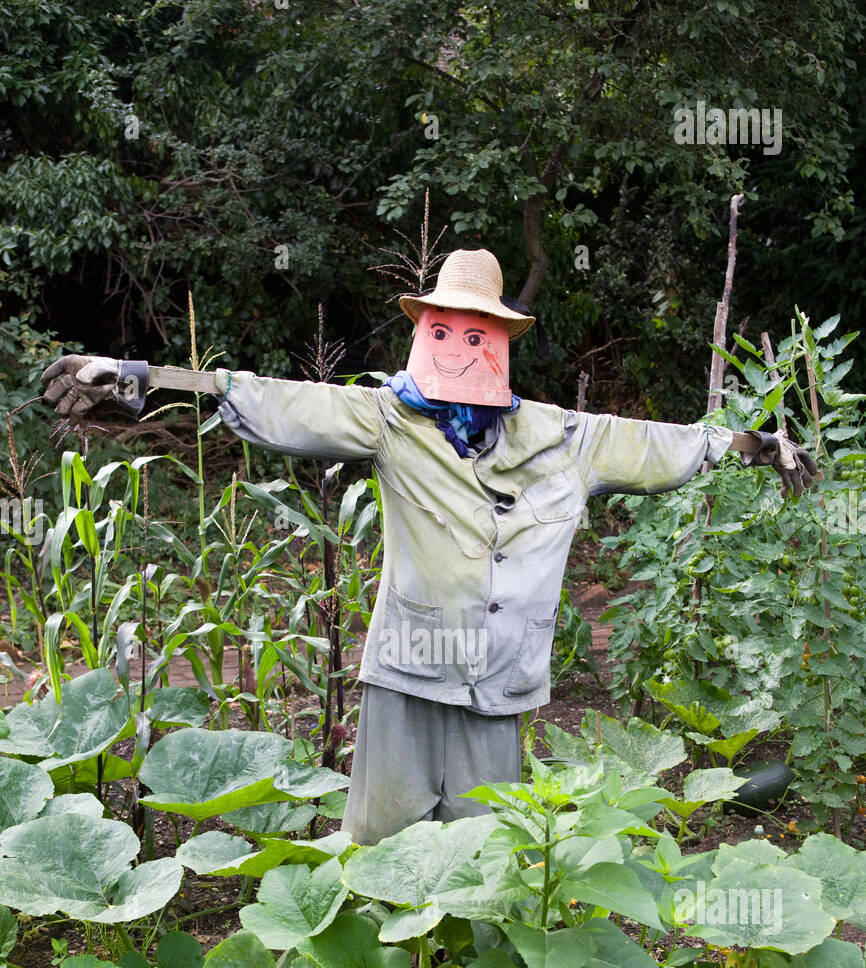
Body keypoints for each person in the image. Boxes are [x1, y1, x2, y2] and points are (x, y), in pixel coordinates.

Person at [41, 248, 818, 844]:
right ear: (421, 332)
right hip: (409, 670)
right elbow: (284, 402)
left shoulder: (565, 439)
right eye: (439, 329)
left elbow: (665, 446)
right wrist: (147, 376)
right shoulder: (390, 420)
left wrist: (755, 442)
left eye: (471, 332)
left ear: (502, 340)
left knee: (485, 849)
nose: (453, 345)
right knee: (384, 841)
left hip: (499, 682)